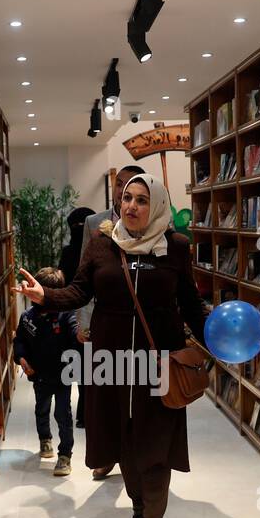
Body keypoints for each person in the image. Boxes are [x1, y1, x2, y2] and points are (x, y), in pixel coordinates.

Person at [14, 174, 207, 518]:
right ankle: (138, 511)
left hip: (159, 363)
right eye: (126, 199)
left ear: (156, 206)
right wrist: (45, 297)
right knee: (125, 440)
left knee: (155, 442)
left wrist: (218, 338)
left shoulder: (175, 248)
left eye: (140, 200)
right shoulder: (103, 244)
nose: (131, 206)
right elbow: (81, 291)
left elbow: (189, 303)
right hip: (109, 364)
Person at [82, 164, 146, 478]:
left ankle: (135, 458)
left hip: (139, 327)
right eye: (120, 184)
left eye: (131, 186)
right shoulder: (95, 224)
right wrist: (83, 322)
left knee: (135, 397)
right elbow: (85, 278)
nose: (123, 191)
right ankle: (108, 455)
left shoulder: (155, 227)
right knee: (104, 394)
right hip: (104, 324)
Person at [11, 267, 80, 477]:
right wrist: (21, 359)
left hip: (62, 376)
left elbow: (76, 339)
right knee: (41, 409)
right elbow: (19, 340)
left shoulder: (66, 317)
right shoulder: (28, 318)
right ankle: (45, 439)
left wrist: (83, 339)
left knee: (63, 414)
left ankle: (65, 455)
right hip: (38, 374)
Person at [59, 207, 96, 426]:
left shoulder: (68, 251)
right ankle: (89, 412)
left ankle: (83, 414)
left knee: (81, 365)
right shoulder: (98, 249)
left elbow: (64, 284)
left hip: (73, 313)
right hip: (92, 313)